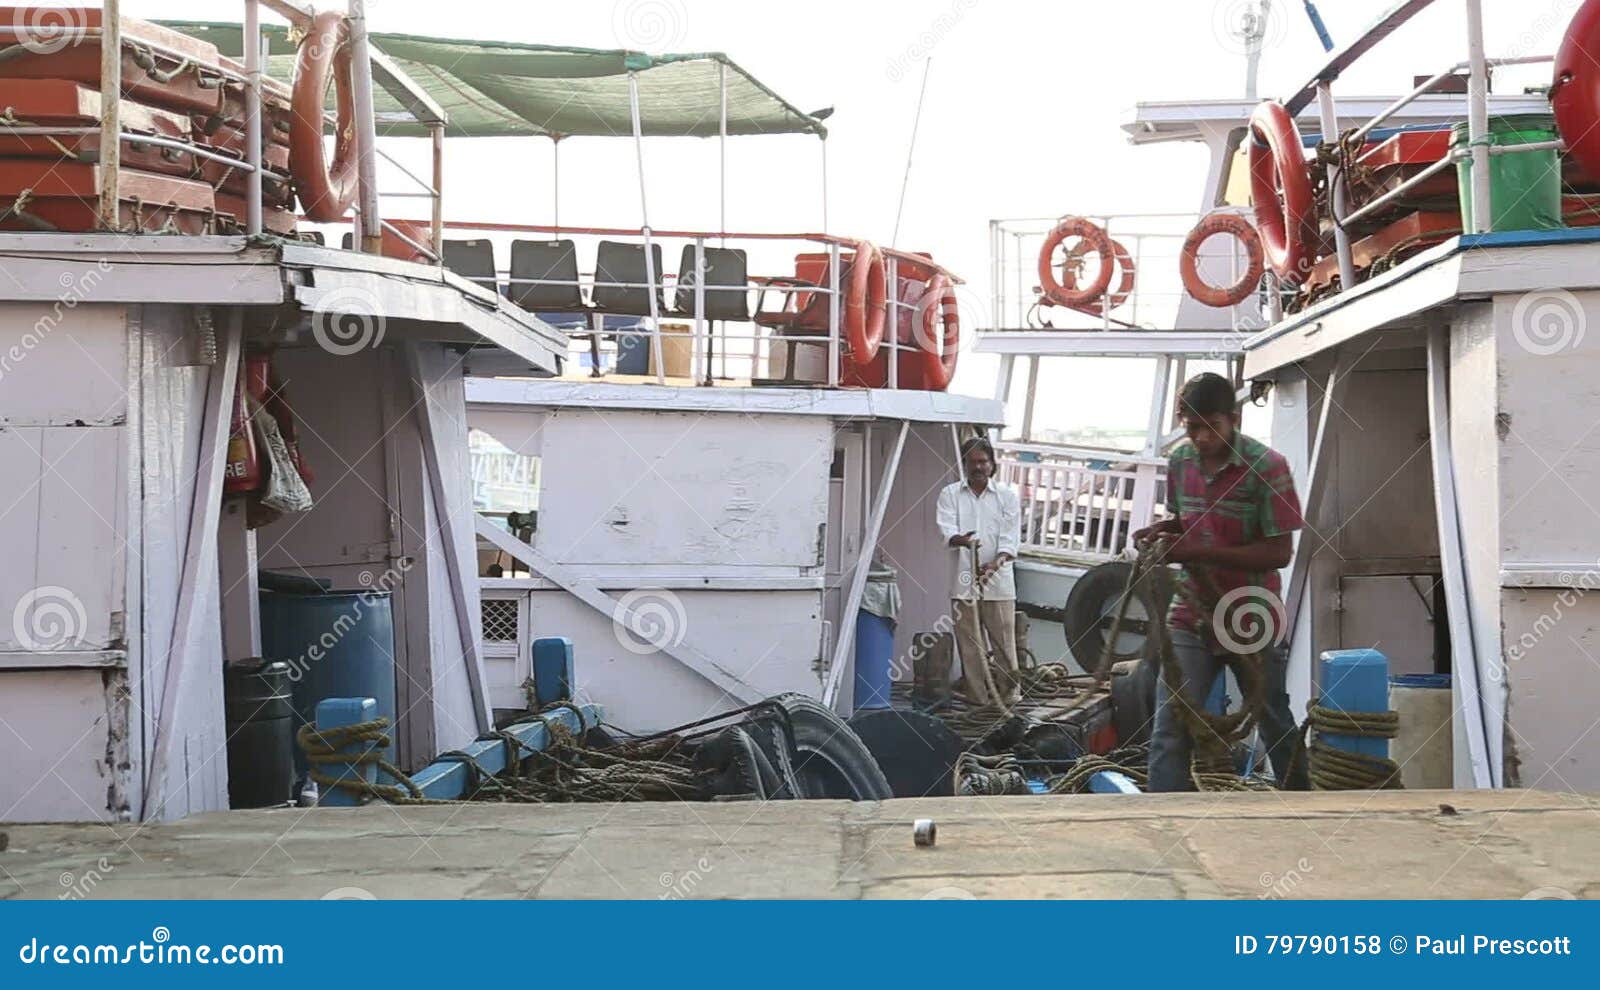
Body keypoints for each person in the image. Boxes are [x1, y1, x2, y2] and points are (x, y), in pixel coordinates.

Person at [1134, 372, 1308, 791]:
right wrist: (1165, 529)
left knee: (1272, 719)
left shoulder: (1269, 468)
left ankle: (1306, 813)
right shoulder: (1180, 462)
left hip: (1251, 613)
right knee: (1171, 728)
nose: (1200, 437)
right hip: (1192, 613)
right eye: (1191, 427)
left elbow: (1280, 553)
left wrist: (1196, 551)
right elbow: (1189, 522)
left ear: (1233, 419)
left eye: (1209, 426)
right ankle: (1167, 830)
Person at [936, 436, 1022, 706]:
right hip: (963, 582)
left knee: (1004, 645)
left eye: (983, 461)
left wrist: (995, 564)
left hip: (999, 584)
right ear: (964, 465)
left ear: (992, 464)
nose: (978, 467)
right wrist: (963, 541)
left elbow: (1010, 538)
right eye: (972, 462)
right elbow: (946, 530)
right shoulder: (949, 494)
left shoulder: (1007, 495)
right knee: (970, 647)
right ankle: (978, 700)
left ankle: (1009, 698)